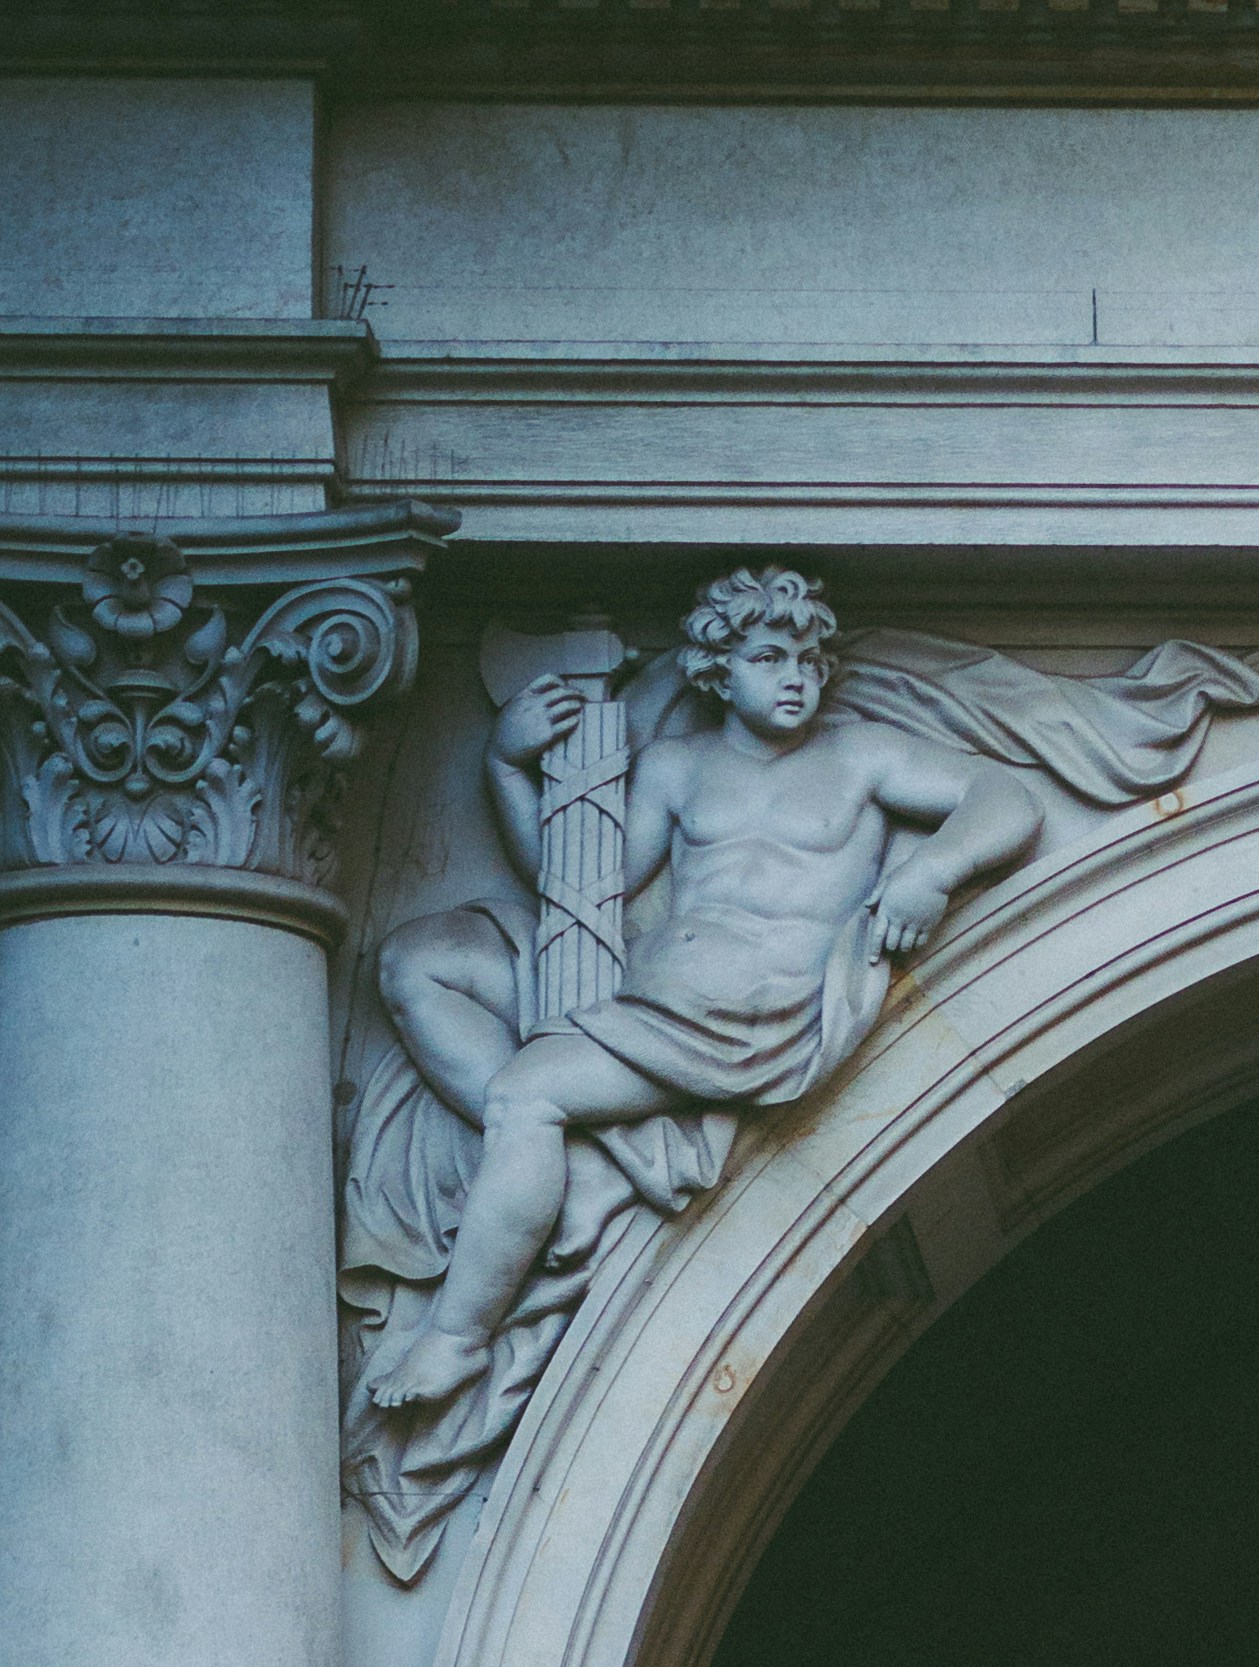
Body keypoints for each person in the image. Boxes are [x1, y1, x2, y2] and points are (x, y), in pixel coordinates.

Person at [360, 565, 1039, 1413]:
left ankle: (458, 1336)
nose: (795, 677)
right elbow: (580, 888)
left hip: (752, 1025)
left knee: (524, 1097)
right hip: (651, 1010)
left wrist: (932, 870)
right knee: (420, 961)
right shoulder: (679, 767)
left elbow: (1003, 794)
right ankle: (553, 1173)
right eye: (767, 657)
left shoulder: (862, 757)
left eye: (808, 659)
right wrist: (506, 764)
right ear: (719, 669)